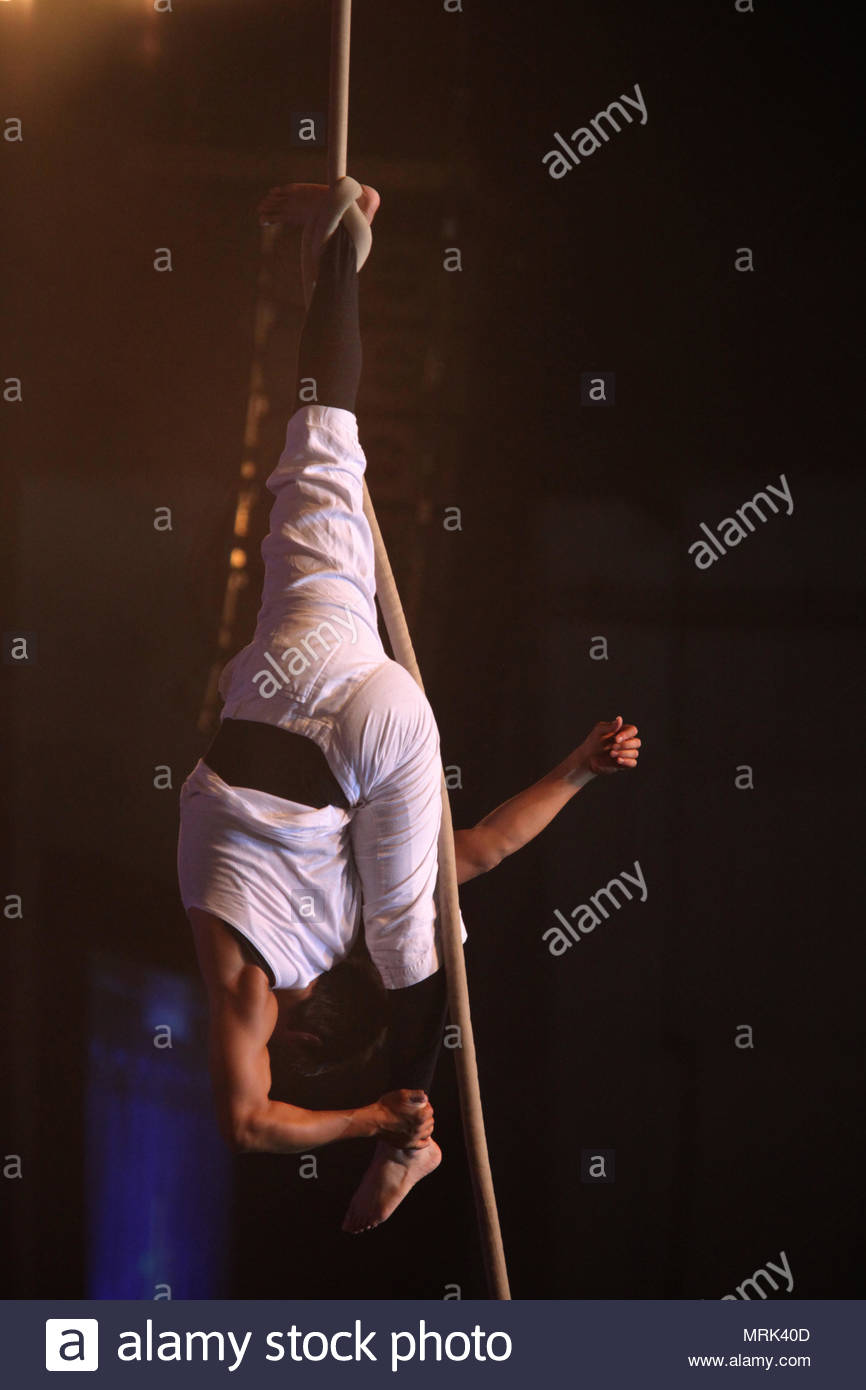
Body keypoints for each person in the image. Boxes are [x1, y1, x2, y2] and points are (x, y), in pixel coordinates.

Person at [177, 181, 642, 1234]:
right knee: (317, 439)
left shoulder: (319, 927)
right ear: (293, 1018)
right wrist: (360, 1120)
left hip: (373, 718)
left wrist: (577, 768)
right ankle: (336, 234)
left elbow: (474, 848)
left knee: (418, 938)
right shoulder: (251, 971)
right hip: (297, 674)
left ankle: (343, 236)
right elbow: (243, 1124)